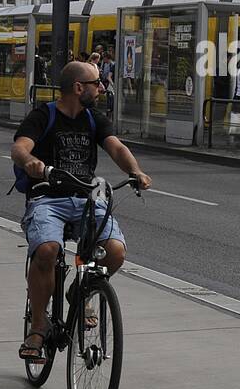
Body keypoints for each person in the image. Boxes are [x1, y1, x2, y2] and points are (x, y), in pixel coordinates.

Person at [11, 60, 152, 364]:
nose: (101, 88)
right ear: (78, 88)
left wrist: (135, 170)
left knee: (114, 251)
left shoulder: (93, 119)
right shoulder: (43, 115)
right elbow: (19, 147)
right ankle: (38, 326)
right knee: (47, 250)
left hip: (87, 199)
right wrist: (30, 162)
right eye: (96, 83)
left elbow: (115, 147)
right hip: (48, 198)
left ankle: (79, 291)